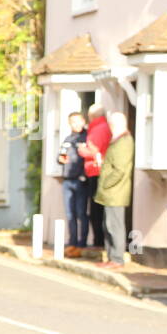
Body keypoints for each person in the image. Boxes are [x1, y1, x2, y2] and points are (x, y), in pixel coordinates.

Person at [93, 111, 133, 269]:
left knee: (114, 226)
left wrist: (105, 184)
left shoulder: (124, 141)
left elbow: (120, 170)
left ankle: (117, 258)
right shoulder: (117, 140)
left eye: (112, 123)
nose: (111, 126)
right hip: (110, 193)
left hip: (115, 192)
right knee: (108, 225)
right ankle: (111, 257)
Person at [57, 111, 91, 257]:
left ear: (83, 121)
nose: (76, 124)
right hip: (67, 180)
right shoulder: (67, 139)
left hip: (81, 180)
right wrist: (60, 159)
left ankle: (82, 244)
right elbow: (60, 157)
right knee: (70, 214)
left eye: (78, 121)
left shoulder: (88, 137)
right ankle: (72, 243)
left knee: (81, 213)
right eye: (73, 122)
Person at [79, 105, 110, 257]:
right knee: (98, 208)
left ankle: (99, 241)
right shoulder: (103, 127)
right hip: (98, 171)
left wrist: (81, 149)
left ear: (92, 116)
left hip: (96, 171)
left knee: (96, 209)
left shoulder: (98, 129)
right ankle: (100, 240)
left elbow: (93, 150)